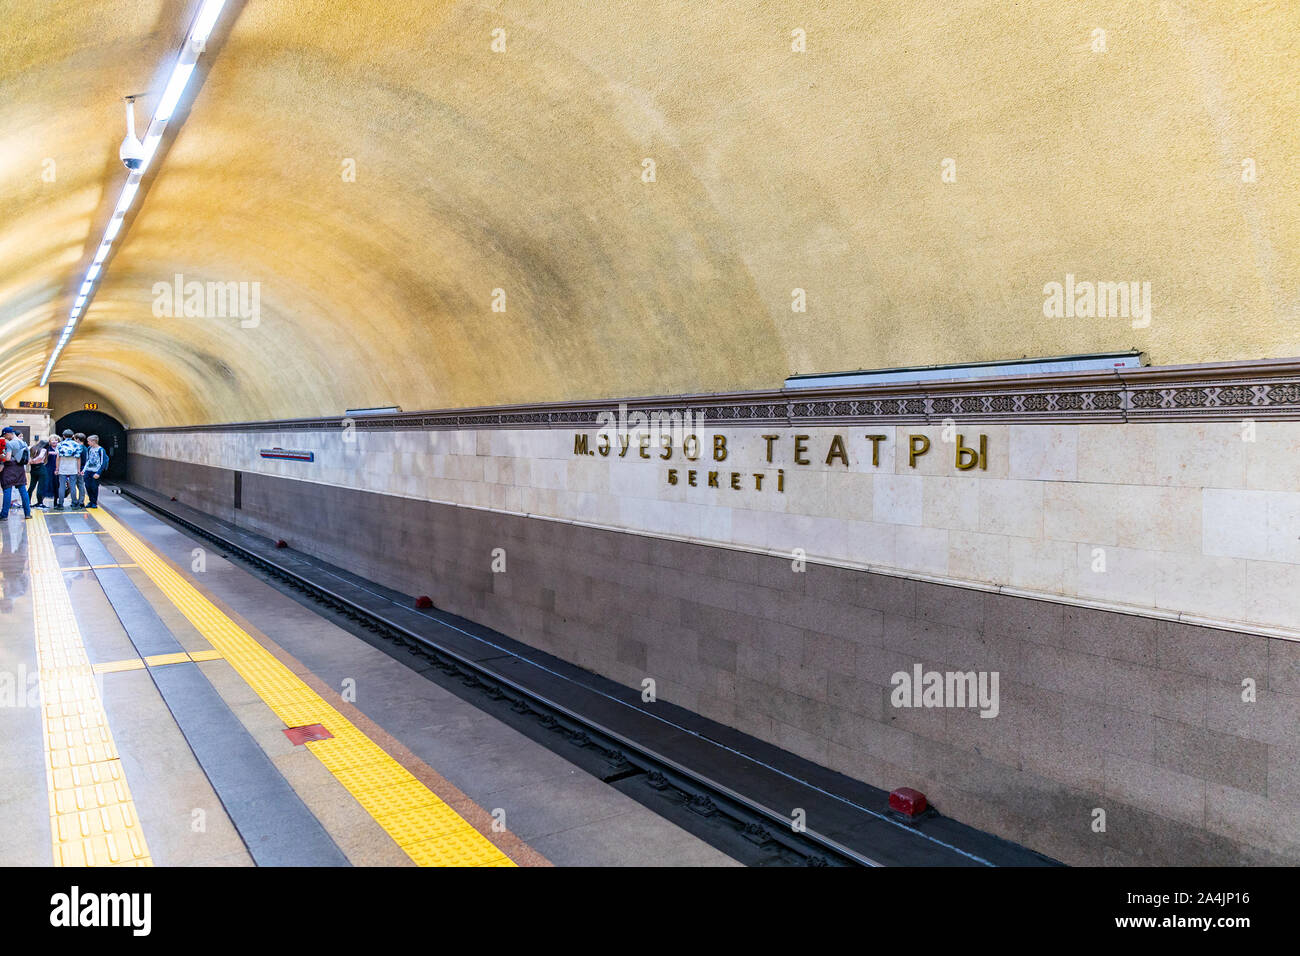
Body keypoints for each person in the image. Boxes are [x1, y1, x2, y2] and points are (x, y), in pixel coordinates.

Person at [0, 426, 32, 520]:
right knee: (23, 491)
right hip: (20, 469)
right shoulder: (23, 442)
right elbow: (28, 458)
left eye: (5, 435)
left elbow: (8, 458)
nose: (5, 438)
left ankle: (4, 515)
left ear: (9, 434)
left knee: (7, 490)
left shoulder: (10, 444)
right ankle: (27, 514)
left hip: (9, 469)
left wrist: (1, 456)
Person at [53, 429, 80, 509]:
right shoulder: (76, 445)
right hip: (73, 468)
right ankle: (74, 503)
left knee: (61, 486)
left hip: (62, 468)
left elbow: (58, 458)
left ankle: (60, 504)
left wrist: (57, 469)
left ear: (63, 436)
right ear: (72, 436)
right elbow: (78, 458)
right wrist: (78, 469)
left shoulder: (60, 445)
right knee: (72, 486)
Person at [83, 435, 108, 509]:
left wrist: (98, 472)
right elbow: (87, 460)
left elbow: (103, 462)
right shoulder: (89, 449)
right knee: (87, 486)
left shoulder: (101, 450)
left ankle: (94, 502)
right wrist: (84, 470)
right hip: (88, 470)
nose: (88, 443)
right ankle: (90, 501)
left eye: (89, 441)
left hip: (95, 471)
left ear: (94, 441)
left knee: (94, 487)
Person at [27, 437, 48, 508]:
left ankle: (28, 502)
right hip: (41, 469)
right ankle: (40, 503)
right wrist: (34, 460)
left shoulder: (31, 447)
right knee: (40, 487)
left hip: (33, 469)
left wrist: (31, 461)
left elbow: (26, 454)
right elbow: (40, 457)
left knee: (31, 486)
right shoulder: (43, 450)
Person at [73, 432, 89, 507]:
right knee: (81, 486)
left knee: (74, 485)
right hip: (83, 469)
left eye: (75, 439)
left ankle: (75, 501)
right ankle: (81, 501)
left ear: (78, 439)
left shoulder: (78, 448)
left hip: (77, 469)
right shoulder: (86, 448)